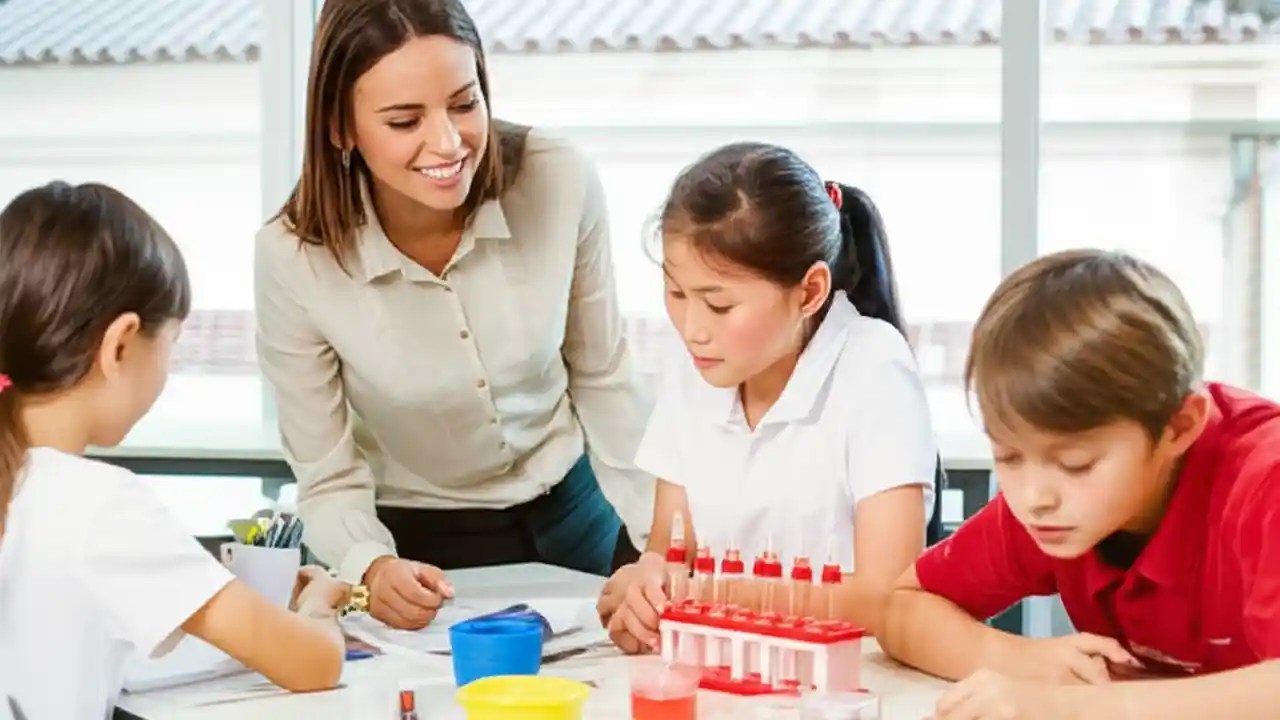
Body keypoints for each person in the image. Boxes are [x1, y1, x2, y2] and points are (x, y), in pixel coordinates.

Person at [255, 0, 653, 632]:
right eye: (404, 120)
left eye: (464, 104)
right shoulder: (293, 257)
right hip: (424, 553)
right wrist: (370, 565)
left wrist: (661, 541)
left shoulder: (558, 179)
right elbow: (327, 475)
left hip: (582, 511)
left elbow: (603, 376)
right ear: (340, 126)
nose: (446, 142)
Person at [879, 249, 1280, 720]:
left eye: (1077, 464)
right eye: (1008, 456)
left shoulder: (1263, 481)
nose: (1034, 499)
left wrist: (1079, 707)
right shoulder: (1049, 493)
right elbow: (901, 608)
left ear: (1179, 427)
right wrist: (1022, 662)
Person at [0, 182, 350, 719]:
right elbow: (314, 665)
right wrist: (318, 606)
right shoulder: (96, 503)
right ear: (120, 344)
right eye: (171, 344)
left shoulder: (31, 485)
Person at [596, 143, 938, 653]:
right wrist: (644, 588)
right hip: (718, 670)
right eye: (676, 294)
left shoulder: (873, 366)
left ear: (809, 293)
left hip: (846, 681)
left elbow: (886, 594)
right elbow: (672, 552)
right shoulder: (701, 370)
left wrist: (709, 594)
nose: (692, 329)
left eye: (718, 304)